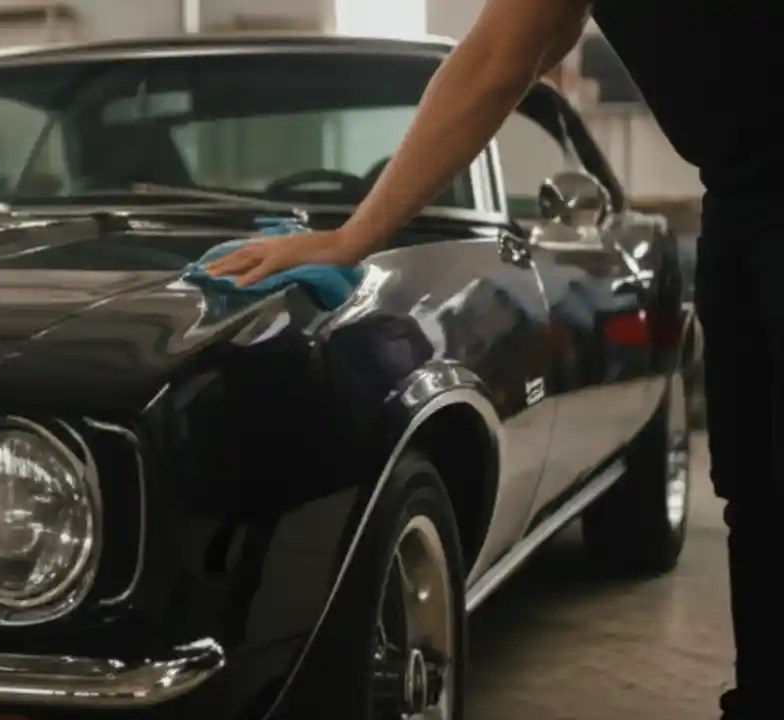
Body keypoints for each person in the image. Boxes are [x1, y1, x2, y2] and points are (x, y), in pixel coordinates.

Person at [206, 1, 781, 718]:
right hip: (740, 190)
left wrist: (351, 237)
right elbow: (511, 42)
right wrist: (350, 237)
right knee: (758, 488)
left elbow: (503, 57)